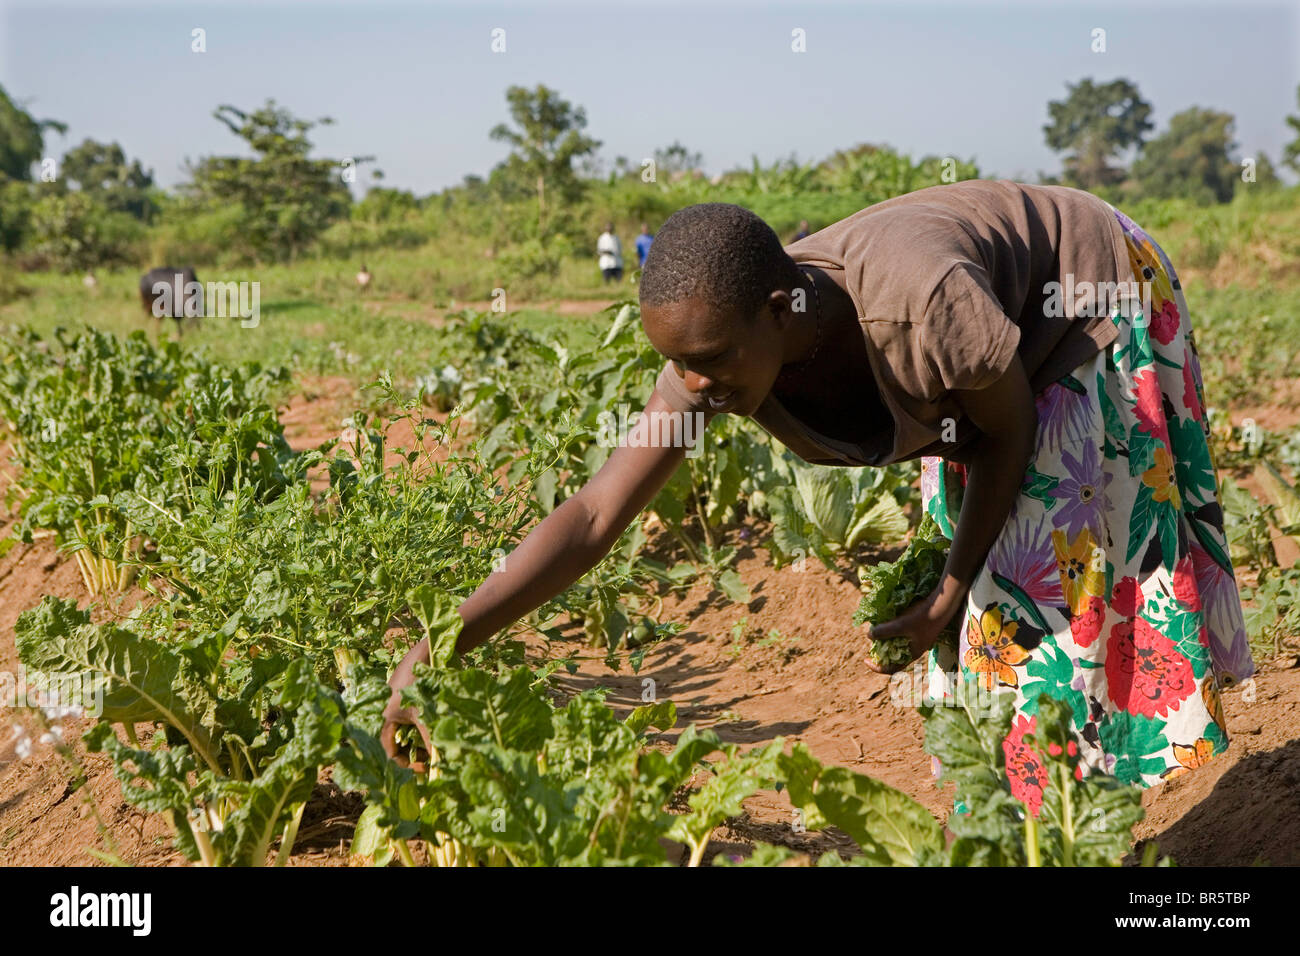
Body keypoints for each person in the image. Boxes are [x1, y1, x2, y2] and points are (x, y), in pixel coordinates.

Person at [382, 181, 1253, 797]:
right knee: (998, 604)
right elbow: (593, 514)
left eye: (710, 361)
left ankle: (1090, 819)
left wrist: (948, 591)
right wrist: (442, 642)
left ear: (782, 308)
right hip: (980, 360)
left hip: (1084, 292)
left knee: (1044, 579)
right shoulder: (708, 351)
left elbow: (1006, 432)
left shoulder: (920, 306)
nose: (692, 384)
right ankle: (1021, 814)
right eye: (676, 365)